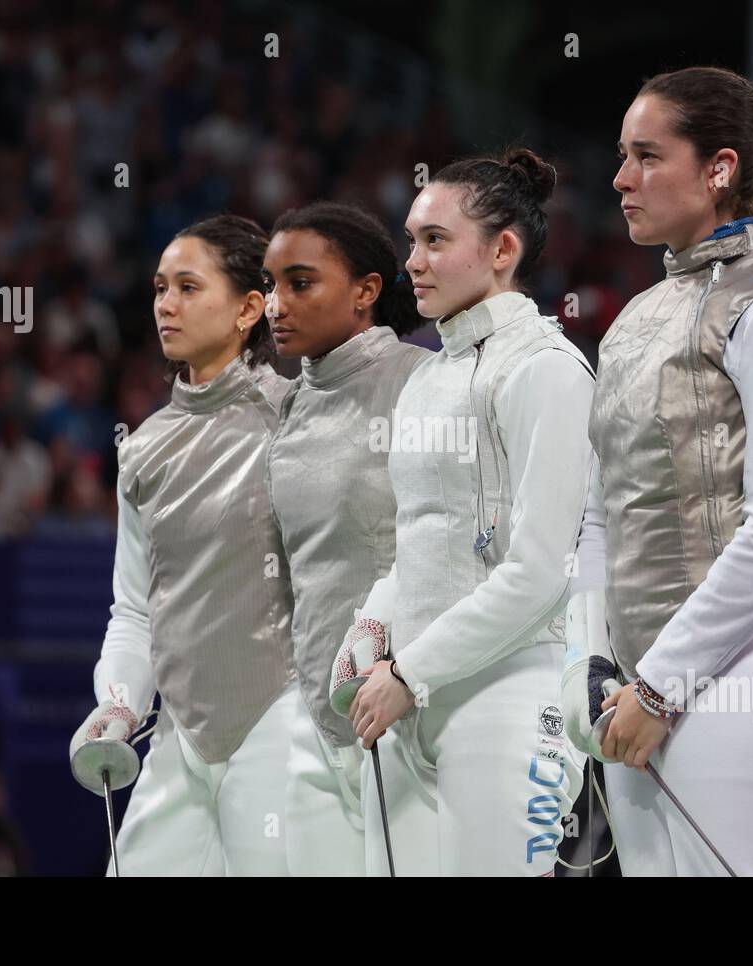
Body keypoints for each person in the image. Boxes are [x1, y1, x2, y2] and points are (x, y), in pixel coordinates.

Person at [576, 66, 753, 876]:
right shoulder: (635, 322)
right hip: (639, 694)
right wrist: (587, 665)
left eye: (646, 156)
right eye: (622, 157)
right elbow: (600, 516)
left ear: (720, 168)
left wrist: (661, 685)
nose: (622, 178)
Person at [331, 148, 594, 875]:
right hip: (409, 700)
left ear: (502, 249)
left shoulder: (546, 369)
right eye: (412, 239)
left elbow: (540, 571)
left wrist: (410, 672)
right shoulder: (426, 378)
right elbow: (415, 543)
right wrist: (373, 626)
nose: (412, 260)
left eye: (436, 241)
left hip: (509, 696)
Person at [69, 215, 297, 876]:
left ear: (249, 308)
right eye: (160, 287)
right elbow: (134, 611)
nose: (166, 304)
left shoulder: (299, 420)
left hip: (281, 727)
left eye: (189, 287)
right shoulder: (141, 449)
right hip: (181, 736)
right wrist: (119, 701)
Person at [264, 202, 431, 875]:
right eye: (270, 284)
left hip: (405, 710)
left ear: (366, 291)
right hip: (313, 716)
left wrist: (411, 673)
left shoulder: (421, 385)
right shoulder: (289, 404)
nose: (276, 303)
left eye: (300, 283)